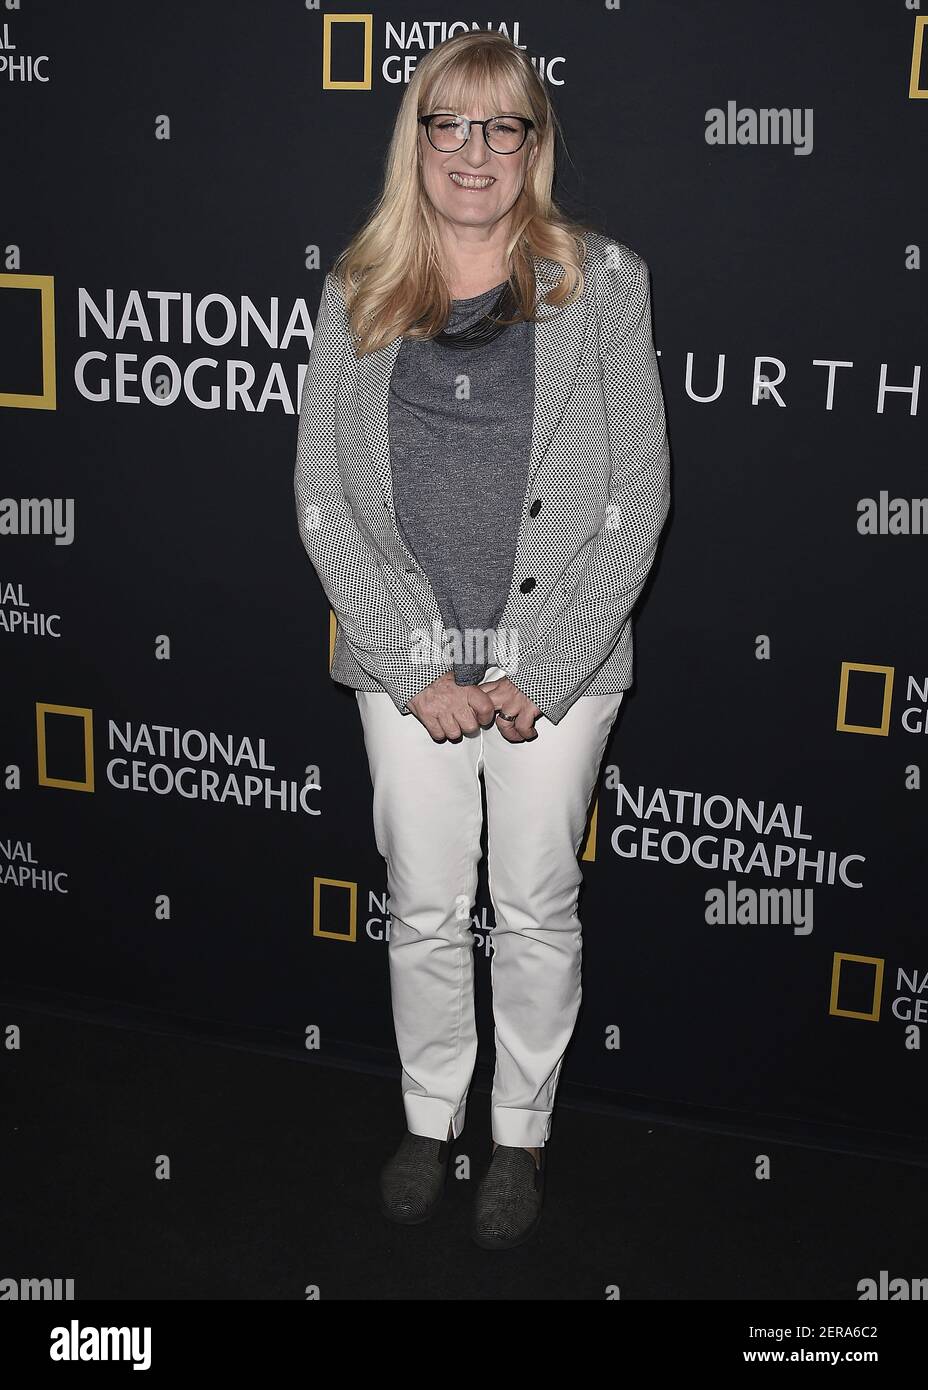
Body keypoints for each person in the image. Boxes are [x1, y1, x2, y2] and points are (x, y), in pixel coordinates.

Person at [294, 30, 671, 1251]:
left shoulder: (603, 280)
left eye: (499, 125)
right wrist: (419, 667)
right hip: (410, 663)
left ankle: (518, 1133)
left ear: (532, 144)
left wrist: (537, 669)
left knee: (534, 902)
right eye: (447, 123)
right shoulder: (355, 286)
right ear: (416, 138)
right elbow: (320, 500)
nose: (473, 150)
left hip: (555, 660)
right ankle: (427, 1112)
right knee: (419, 902)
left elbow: (639, 498)